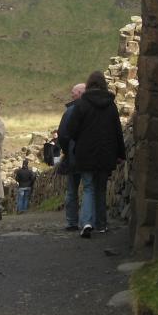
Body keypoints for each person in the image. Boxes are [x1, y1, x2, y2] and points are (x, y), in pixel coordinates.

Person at [63, 72, 125, 238]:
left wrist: (80, 140)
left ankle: (87, 222)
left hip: (86, 153)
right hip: (106, 153)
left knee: (88, 187)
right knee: (101, 189)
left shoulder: (82, 104)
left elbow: (71, 130)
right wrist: (121, 153)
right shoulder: (111, 105)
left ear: (89, 84)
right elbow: (117, 131)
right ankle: (101, 224)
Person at [57, 83, 85, 231]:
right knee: (89, 188)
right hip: (89, 155)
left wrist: (67, 150)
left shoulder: (70, 111)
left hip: (73, 155)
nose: (71, 95)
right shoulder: (92, 108)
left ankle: (72, 222)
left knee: (72, 190)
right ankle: (89, 221)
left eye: (73, 92)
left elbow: (62, 134)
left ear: (80, 93)